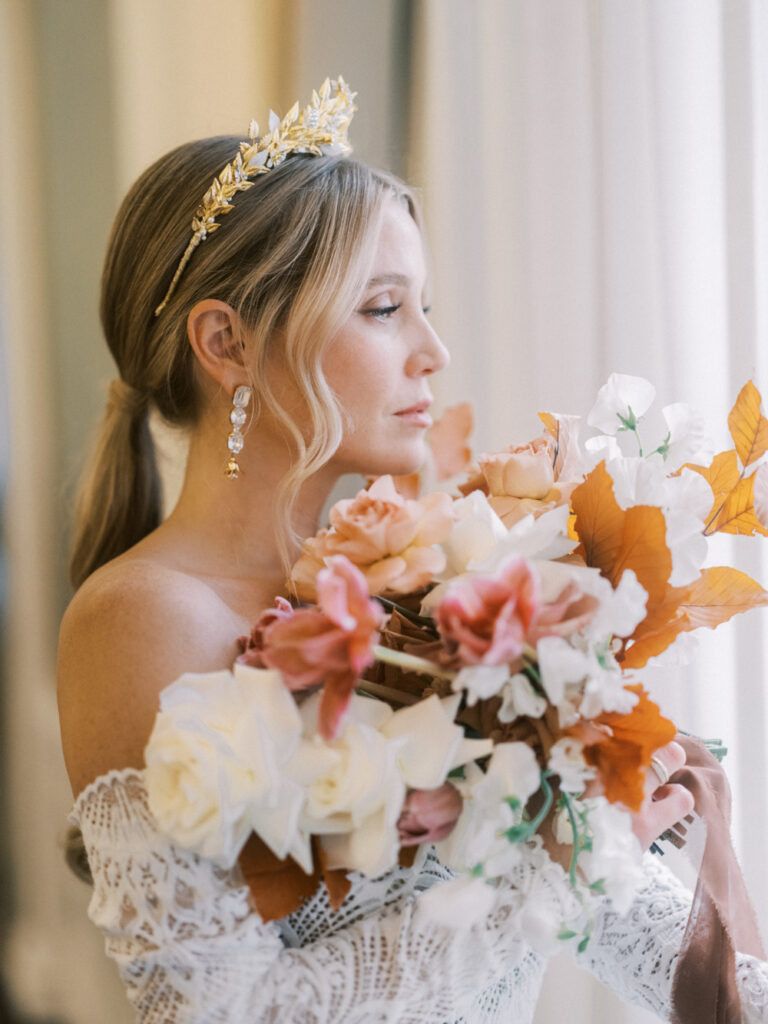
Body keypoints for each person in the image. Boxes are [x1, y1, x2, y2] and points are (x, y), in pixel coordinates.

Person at [57, 79, 768, 1024]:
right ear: (225, 341)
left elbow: (625, 916)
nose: (433, 350)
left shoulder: (440, 592)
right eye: (384, 308)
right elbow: (216, 1011)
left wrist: (610, 831)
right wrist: (540, 869)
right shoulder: (142, 618)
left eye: (422, 306)